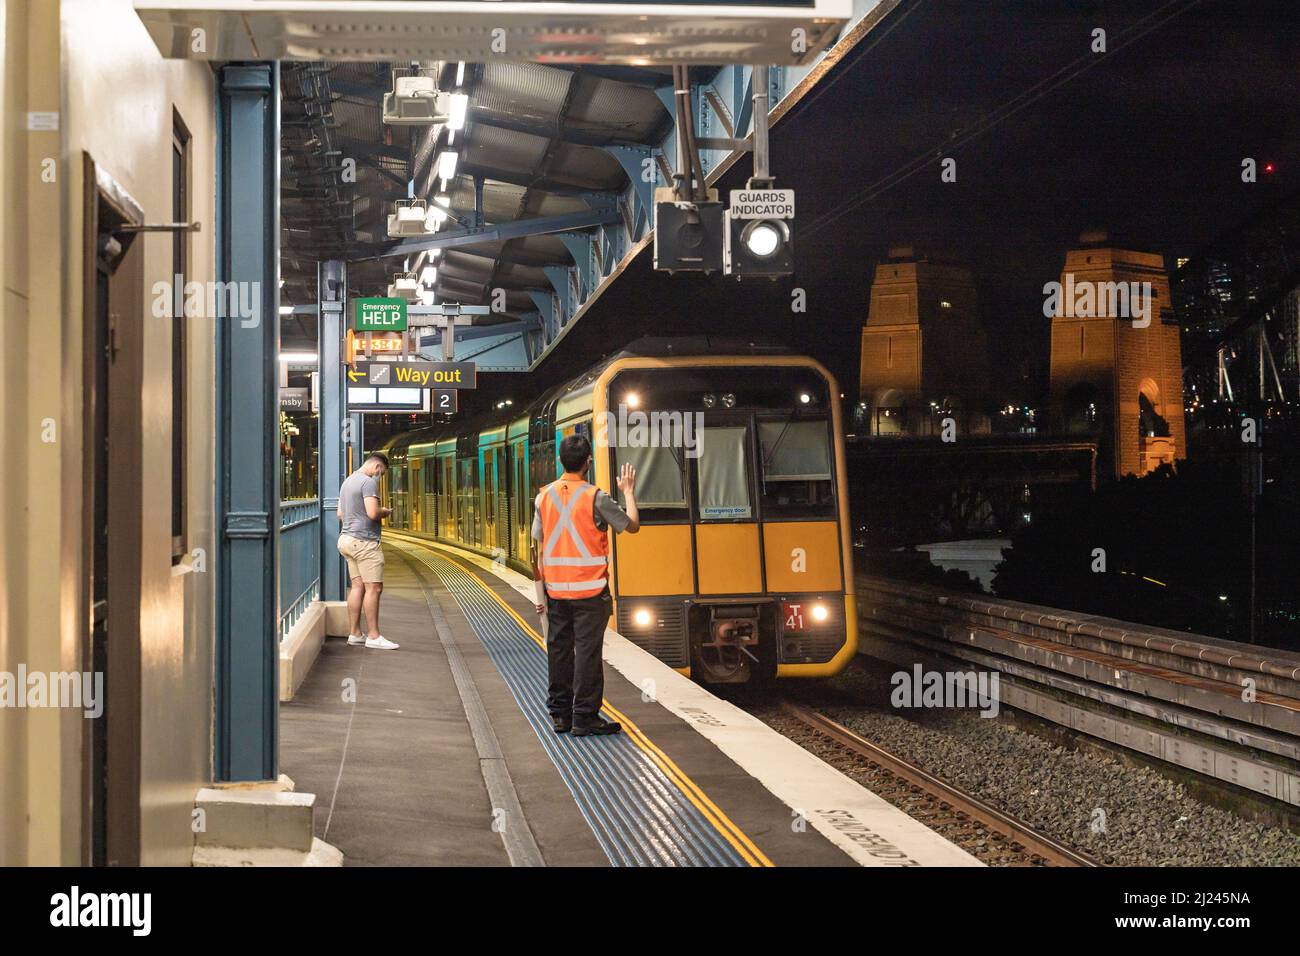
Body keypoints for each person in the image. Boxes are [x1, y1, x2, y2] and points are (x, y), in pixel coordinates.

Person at [532, 434, 639, 736]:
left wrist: (541, 589)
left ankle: (560, 716)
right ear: (588, 462)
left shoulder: (544, 497)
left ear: (559, 461)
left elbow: (539, 541)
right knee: (588, 653)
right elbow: (631, 525)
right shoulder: (596, 497)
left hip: (556, 590)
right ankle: (584, 717)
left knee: (559, 651)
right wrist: (628, 492)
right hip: (590, 591)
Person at [336, 452, 400, 650]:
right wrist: (386, 512)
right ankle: (373, 636)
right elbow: (373, 512)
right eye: (382, 473)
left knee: (358, 587)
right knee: (374, 588)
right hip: (364, 542)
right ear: (378, 467)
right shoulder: (368, 482)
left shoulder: (348, 481)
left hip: (346, 539)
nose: (379, 476)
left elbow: (340, 514)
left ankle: (355, 633)